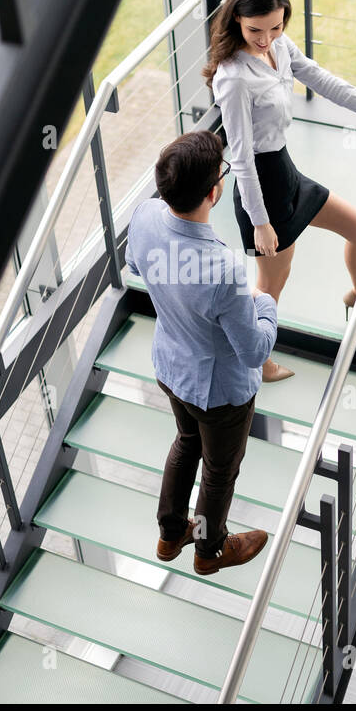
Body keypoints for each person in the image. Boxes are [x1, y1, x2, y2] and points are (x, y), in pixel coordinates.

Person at [203, 0, 356, 382]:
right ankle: (253, 358)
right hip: (262, 189)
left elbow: (325, 82)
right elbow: (240, 158)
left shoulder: (277, 46)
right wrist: (260, 222)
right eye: (256, 29)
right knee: (271, 287)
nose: (266, 38)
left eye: (276, 26)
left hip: (286, 171)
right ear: (236, 17)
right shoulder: (234, 77)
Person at [125, 130, 277, 576]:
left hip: (171, 370)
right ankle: (210, 550)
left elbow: (136, 266)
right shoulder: (225, 269)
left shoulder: (145, 216)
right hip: (220, 393)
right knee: (218, 472)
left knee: (185, 441)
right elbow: (253, 352)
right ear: (215, 190)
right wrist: (264, 302)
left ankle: (170, 533)